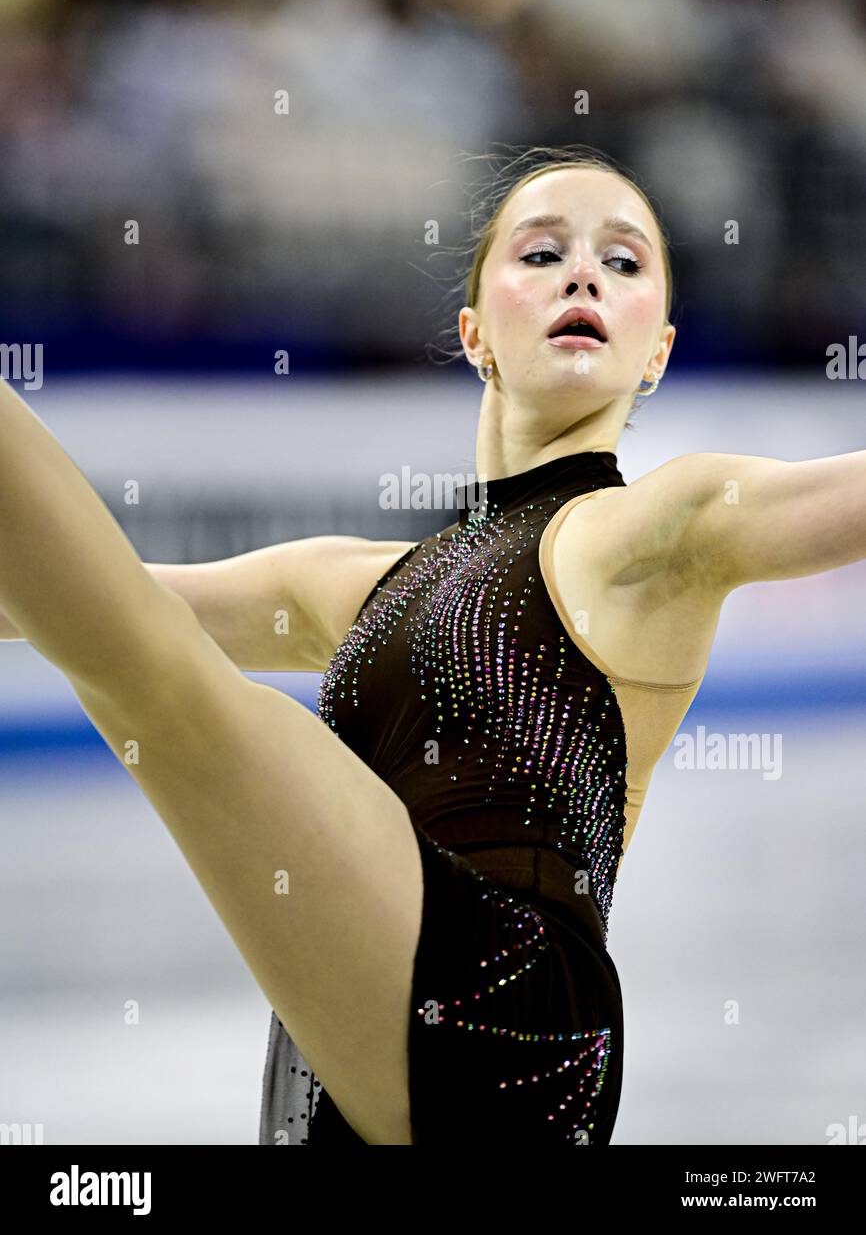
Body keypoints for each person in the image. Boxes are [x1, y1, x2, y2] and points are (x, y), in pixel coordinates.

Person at [1, 148, 863, 1146]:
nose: (584, 275)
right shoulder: (355, 581)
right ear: (474, 332)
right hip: (351, 1035)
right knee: (120, 648)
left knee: (156, 684)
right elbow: (66, 597)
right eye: (541, 253)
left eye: (624, 263)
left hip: (516, 1003)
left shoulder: (666, 526)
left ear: (656, 353)